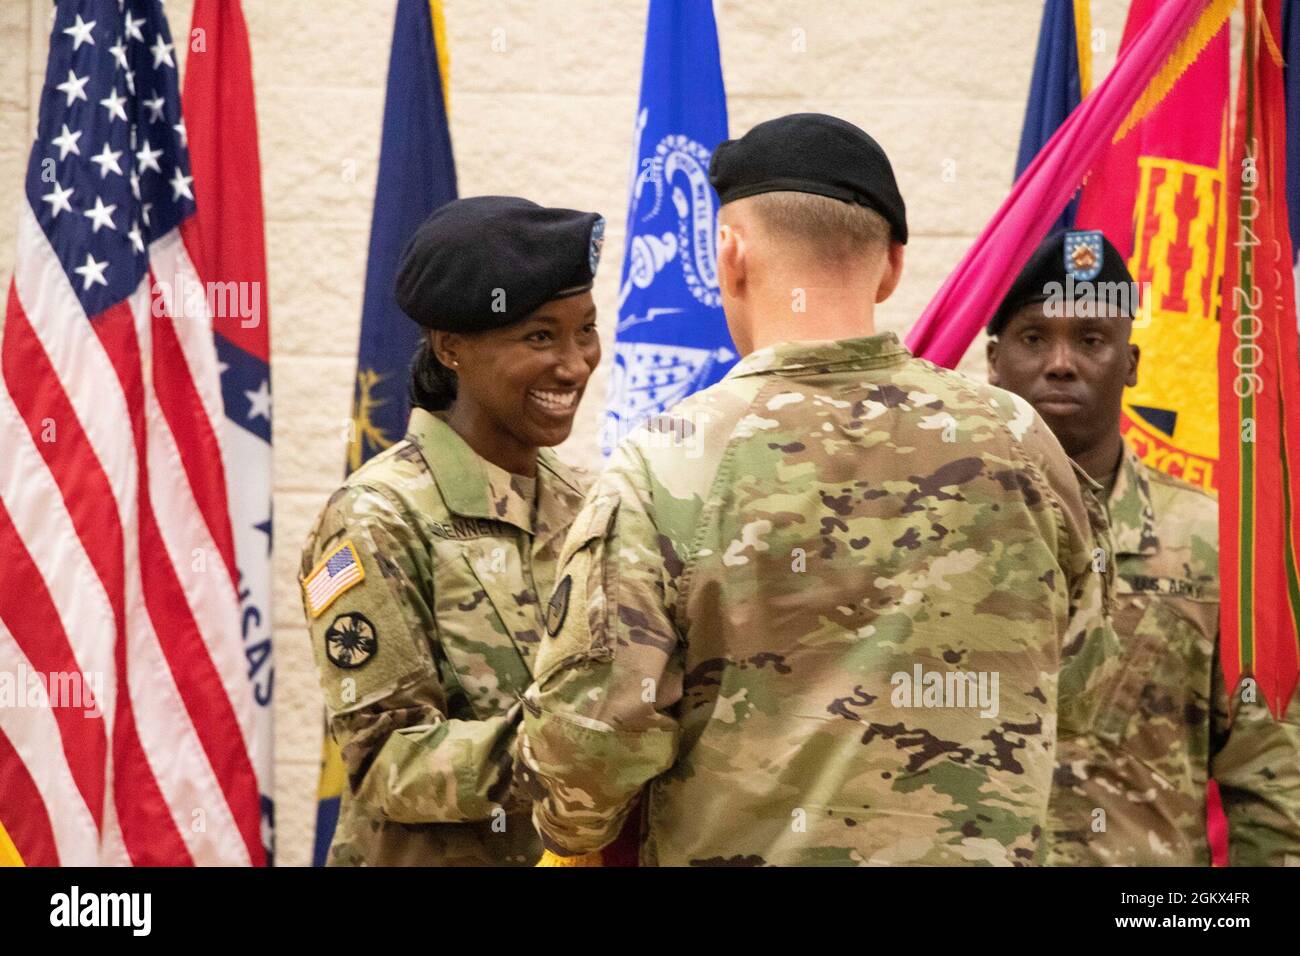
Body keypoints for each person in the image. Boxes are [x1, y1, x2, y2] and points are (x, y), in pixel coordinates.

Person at [518, 113, 1111, 867]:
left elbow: (586, 758)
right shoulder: (1023, 442)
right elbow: (1082, 684)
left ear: (728, 255)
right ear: (892, 266)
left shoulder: (667, 464)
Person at [299, 196, 604, 865]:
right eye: (539, 337)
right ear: (452, 349)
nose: (575, 364)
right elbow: (386, 765)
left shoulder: (587, 503)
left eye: (585, 330)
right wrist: (562, 748)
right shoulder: (375, 519)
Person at [987, 228, 1300, 866]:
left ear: (1131, 365)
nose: (1061, 362)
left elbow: (1273, 784)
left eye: (1093, 339)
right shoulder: (941, 529)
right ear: (993, 361)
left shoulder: (1217, 545)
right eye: (1033, 338)